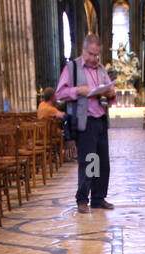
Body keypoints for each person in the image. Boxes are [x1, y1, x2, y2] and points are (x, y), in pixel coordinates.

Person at [55, 33, 115, 214]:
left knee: (102, 162)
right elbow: (60, 93)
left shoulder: (102, 70)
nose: (94, 59)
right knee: (89, 161)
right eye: (90, 54)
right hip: (85, 122)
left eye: (97, 55)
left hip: (100, 121)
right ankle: (82, 199)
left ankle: (98, 198)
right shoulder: (72, 68)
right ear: (83, 50)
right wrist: (79, 90)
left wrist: (111, 93)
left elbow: (110, 95)